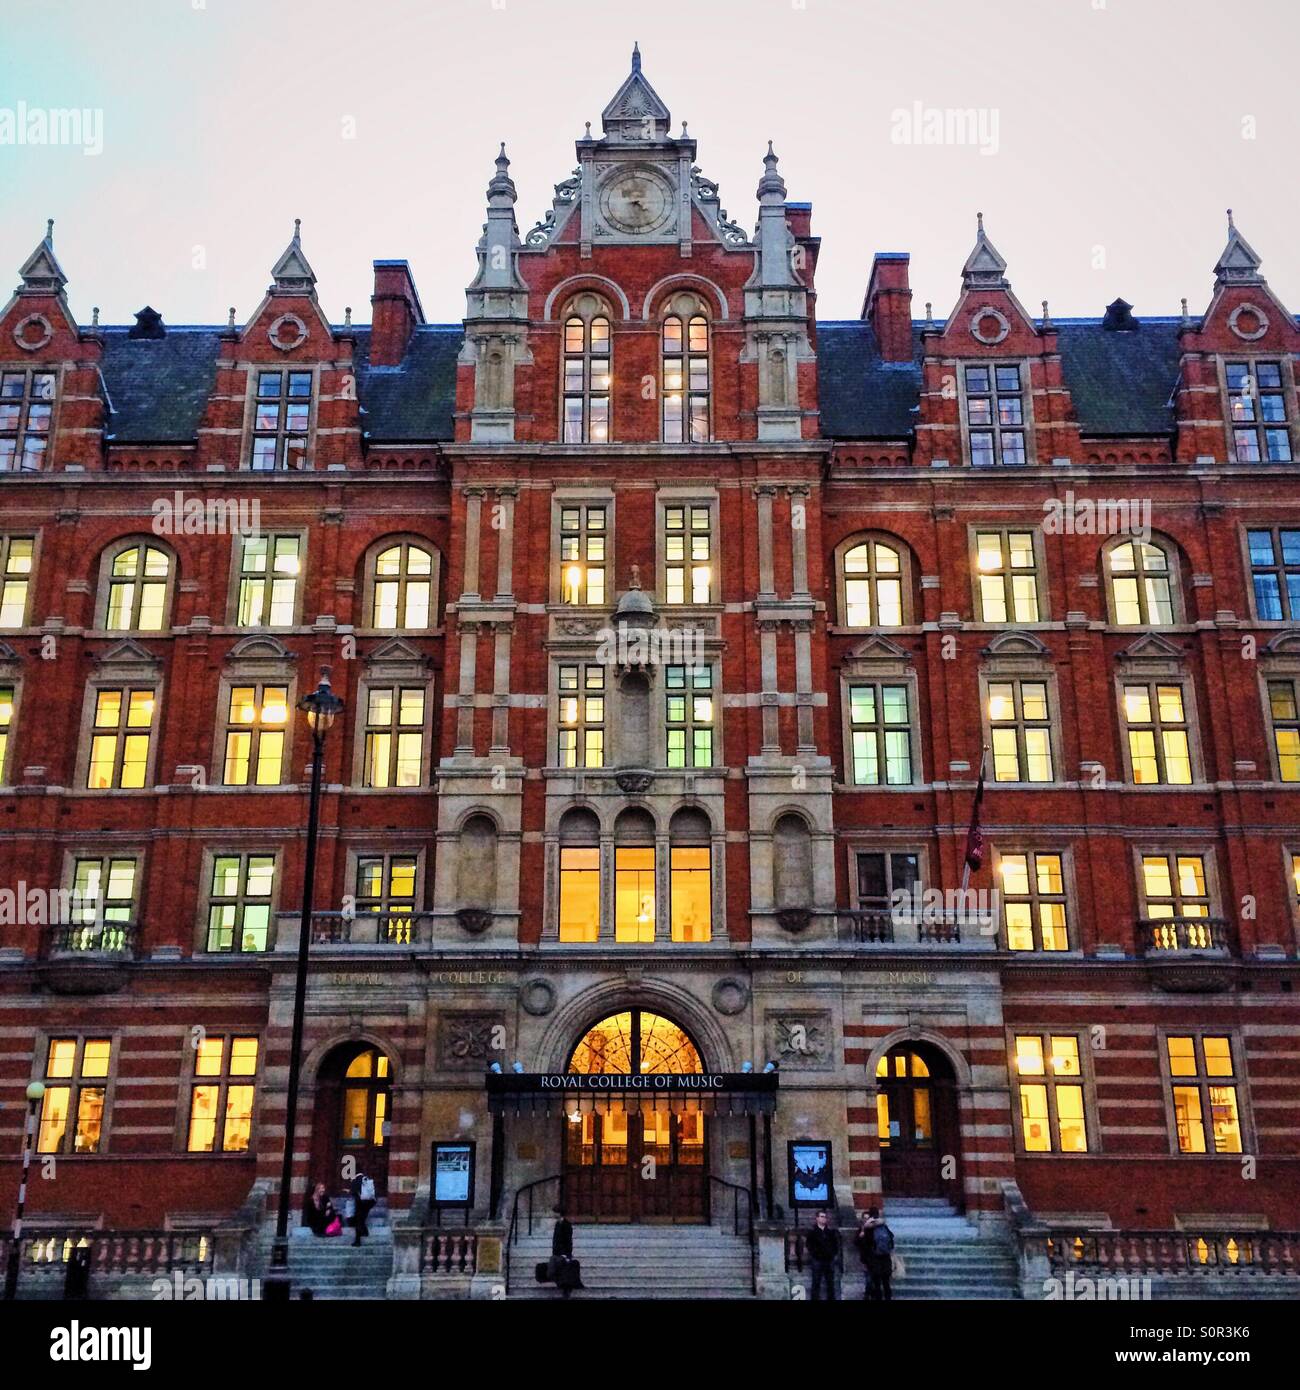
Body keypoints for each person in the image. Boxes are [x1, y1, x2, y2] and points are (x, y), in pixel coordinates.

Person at [804, 1209, 841, 1300]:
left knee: (830, 1282)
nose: (824, 1219)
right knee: (816, 1281)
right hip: (817, 1259)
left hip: (829, 1259)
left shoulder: (831, 1232)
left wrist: (832, 1254)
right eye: (822, 1216)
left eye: (825, 1217)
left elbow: (835, 1245)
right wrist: (815, 1254)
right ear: (817, 1218)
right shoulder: (812, 1233)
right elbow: (809, 1245)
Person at [550, 1207, 583, 1297]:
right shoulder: (558, 1224)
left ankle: (566, 1290)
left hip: (564, 1253)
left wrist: (567, 1254)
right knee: (553, 1271)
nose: (553, 1215)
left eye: (555, 1213)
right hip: (557, 1253)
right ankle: (562, 1286)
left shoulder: (567, 1225)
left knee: (564, 1271)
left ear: (559, 1213)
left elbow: (568, 1241)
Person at [866, 1205, 895, 1301]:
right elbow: (891, 1237)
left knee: (877, 1283)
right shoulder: (884, 1225)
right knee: (886, 1282)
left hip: (875, 1257)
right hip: (885, 1256)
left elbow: (866, 1238)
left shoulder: (869, 1226)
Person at [853, 1209, 879, 1299]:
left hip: (875, 1258)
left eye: (867, 1218)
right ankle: (868, 1295)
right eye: (865, 1218)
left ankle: (870, 1295)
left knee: (873, 1279)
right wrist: (861, 1235)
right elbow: (856, 1242)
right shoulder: (861, 1230)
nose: (866, 1220)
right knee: (869, 1279)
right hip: (866, 1259)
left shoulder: (874, 1230)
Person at [350, 1169, 377, 1247]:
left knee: (358, 1221)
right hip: (368, 1203)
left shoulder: (355, 1180)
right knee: (362, 1219)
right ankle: (365, 1232)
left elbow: (353, 1192)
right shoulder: (366, 1179)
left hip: (360, 1204)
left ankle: (357, 1241)